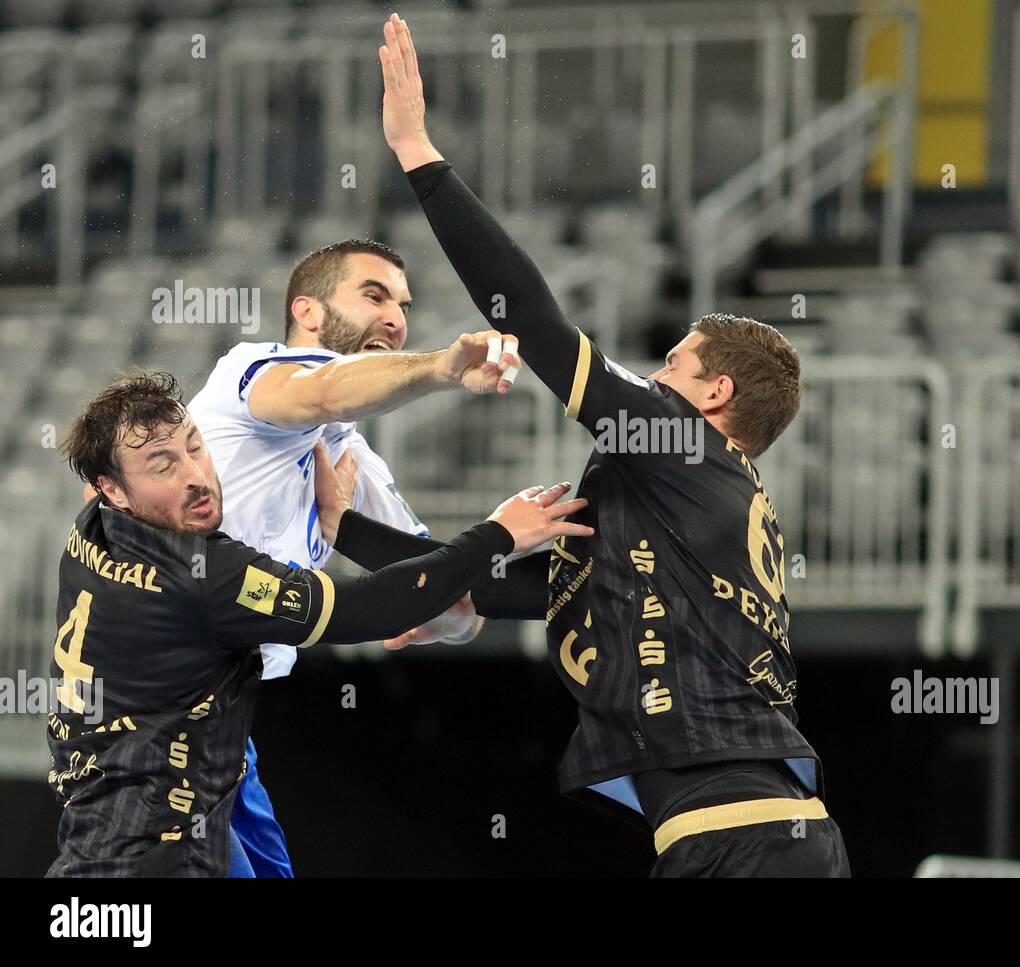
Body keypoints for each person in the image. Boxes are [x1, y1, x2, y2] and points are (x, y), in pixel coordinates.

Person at [375, 13, 849, 876]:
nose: (651, 376)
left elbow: (537, 323)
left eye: (672, 363)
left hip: (739, 832)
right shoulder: (665, 509)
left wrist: (418, 156)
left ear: (716, 394)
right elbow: (495, 583)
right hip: (745, 831)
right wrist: (343, 528)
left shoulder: (676, 443)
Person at [48, 370, 589, 876]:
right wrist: (496, 535)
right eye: (163, 466)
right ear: (112, 489)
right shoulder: (205, 580)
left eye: (195, 446)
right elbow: (372, 610)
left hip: (135, 811)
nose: (196, 476)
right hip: (151, 851)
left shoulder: (90, 530)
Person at [185, 238, 524, 876]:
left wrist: (442, 605)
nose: (395, 317)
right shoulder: (249, 372)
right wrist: (441, 368)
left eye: (402, 303)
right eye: (373, 295)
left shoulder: (352, 461)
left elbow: (454, 607)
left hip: (230, 722)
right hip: (156, 699)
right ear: (307, 312)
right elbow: (323, 392)